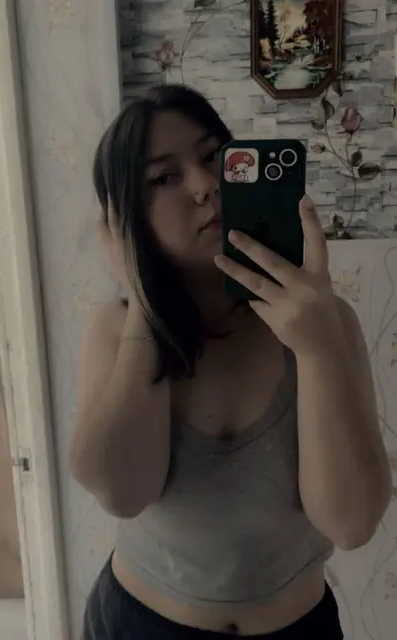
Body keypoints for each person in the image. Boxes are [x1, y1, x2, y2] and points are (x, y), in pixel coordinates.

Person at [70, 85, 392, 639]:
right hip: (141, 625)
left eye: (213, 156)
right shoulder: (116, 328)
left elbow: (351, 523)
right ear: (126, 218)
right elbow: (122, 493)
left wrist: (317, 349)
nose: (205, 185)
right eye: (164, 177)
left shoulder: (323, 321)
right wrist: (143, 301)